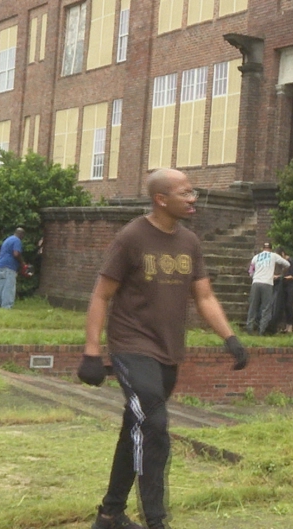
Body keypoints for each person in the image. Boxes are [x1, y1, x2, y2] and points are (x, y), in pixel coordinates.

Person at [77, 168, 248, 529]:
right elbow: (101, 295)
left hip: (168, 351)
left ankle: (110, 515)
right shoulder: (132, 237)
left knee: (136, 429)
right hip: (131, 347)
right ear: (161, 199)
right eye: (185, 193)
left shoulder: (189, 242)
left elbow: (204, 296)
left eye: (192, 193)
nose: (192, 199)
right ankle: (156, 520)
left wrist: (230, 338)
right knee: (154, 427)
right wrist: (92, 351)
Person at [246, 242, 288, 334]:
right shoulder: (273, 256)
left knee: (253, 306)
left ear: (262, 249)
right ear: (271, 249)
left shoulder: (256, 257)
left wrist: (254, 276)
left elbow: (250, 270)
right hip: (267, 283)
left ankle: (249, 328)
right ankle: (262, 330)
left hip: (256, 282)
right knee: (266, 308)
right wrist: (281, 272)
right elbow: (287, 264)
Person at [267, 247, 293, 334]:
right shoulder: (282, 264)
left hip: (291, 286)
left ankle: (290, 326)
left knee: (289, 305)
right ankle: (286, 326)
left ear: (282, 254)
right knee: (284, 305)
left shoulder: (290, 262)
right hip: (285, 286)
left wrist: (280, 277)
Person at [0, 227, 27, 308]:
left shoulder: (8, 239)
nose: (23, 238)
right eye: (23, 236)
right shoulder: (17, 240)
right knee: (8, 287)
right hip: (8, 267)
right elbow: (16, 254)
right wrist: (22, 263)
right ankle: (6, 306)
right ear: (21, 234)